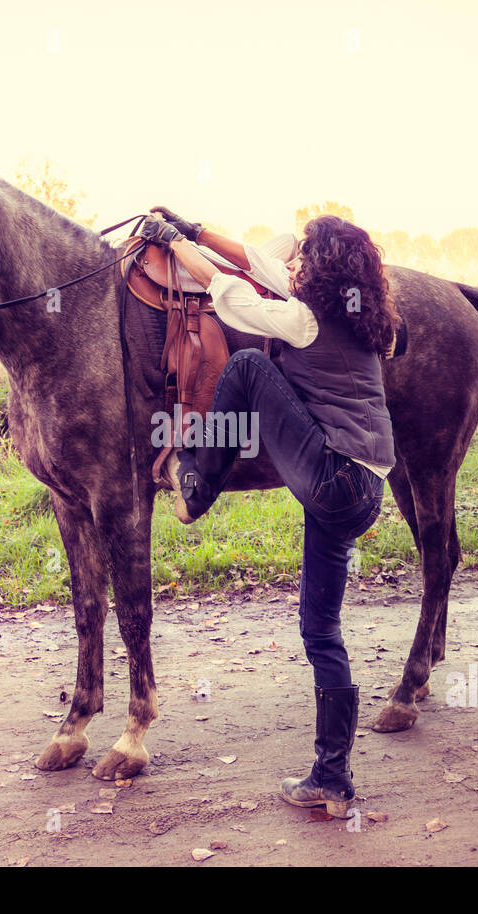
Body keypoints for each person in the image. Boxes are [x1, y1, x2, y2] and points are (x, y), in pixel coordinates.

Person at [137, 208, 398, 818]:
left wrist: (176, 245)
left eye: (304, 254)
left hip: (334, 478)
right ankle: (332, 781)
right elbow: (259, 263)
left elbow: (229, 295)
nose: (294, 260)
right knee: (320, 630)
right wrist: (197, 232)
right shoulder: (354, 316)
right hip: (359, 491)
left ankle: (197, 486)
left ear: (322, 268)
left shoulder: (304, 319)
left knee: (250, 365)